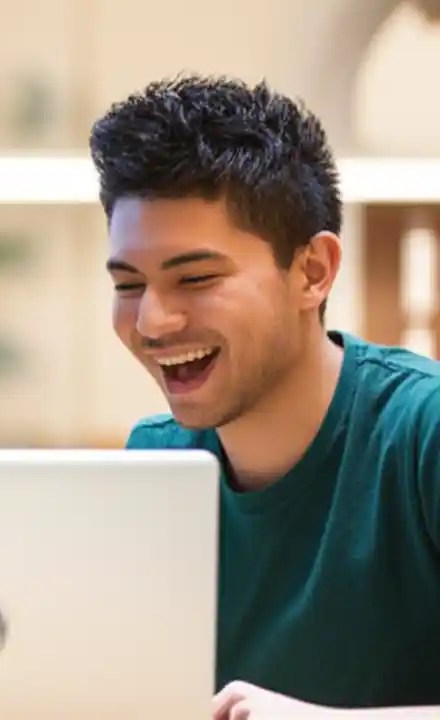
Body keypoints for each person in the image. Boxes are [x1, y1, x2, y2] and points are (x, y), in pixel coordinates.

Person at [90, 74, 440, 718]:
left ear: (312, 272)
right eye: (129, 284)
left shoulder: (423, 431)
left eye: (195, 278)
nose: (152, 322)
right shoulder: (154, 463)